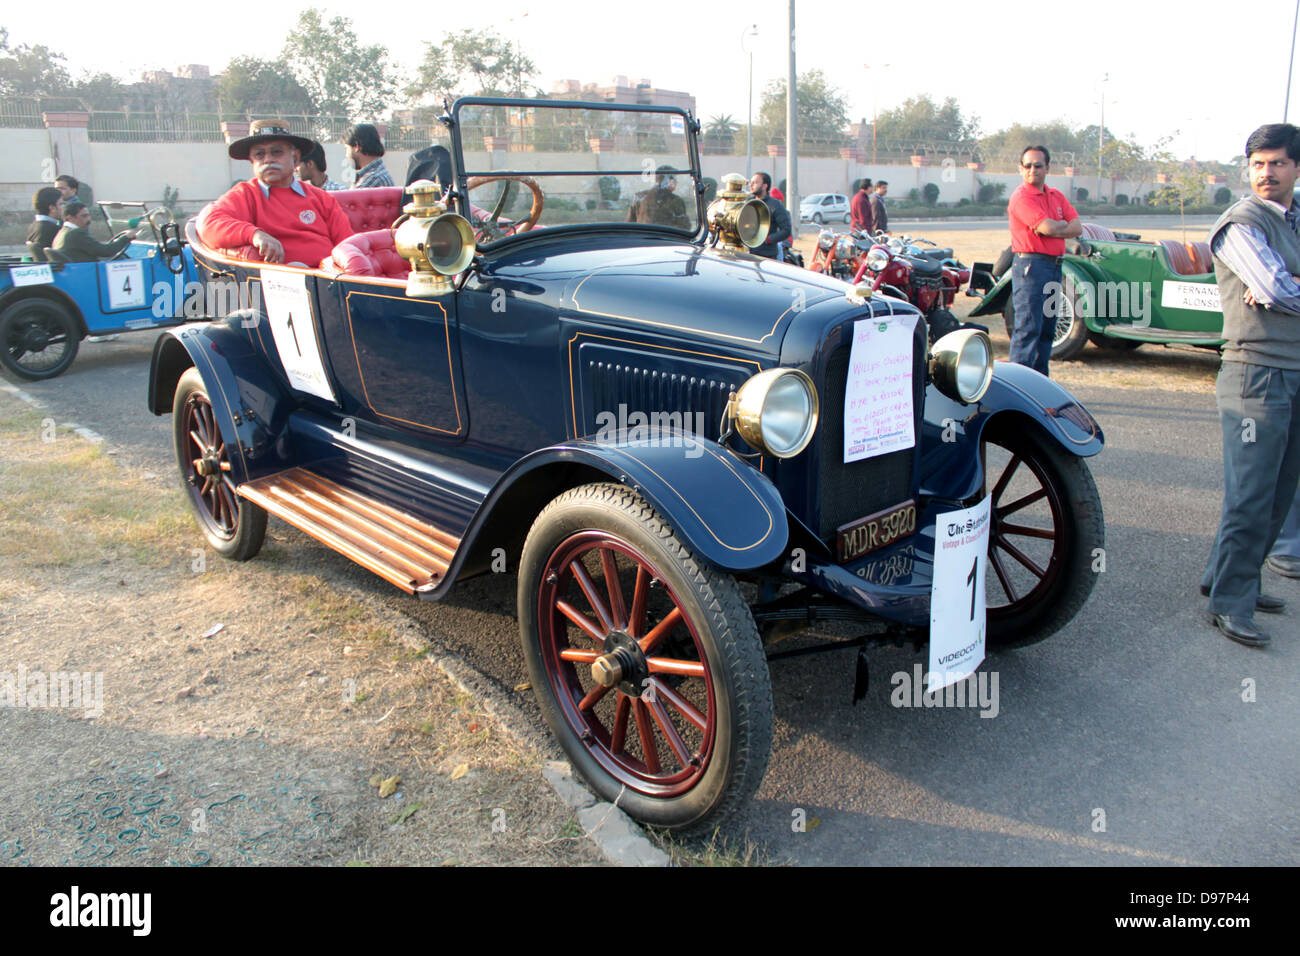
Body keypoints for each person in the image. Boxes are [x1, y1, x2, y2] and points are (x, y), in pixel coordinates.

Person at [1199, 122, 1300, 647]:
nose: (1267, 173)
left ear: (1296, 168)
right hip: (1255, 373)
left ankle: (1229, 576)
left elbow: (1285, 288)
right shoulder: (1242, 222)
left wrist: (1288, 284)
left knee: (1280, 490)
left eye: (1278, 163)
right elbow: (1272, 287)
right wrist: (1285, 284)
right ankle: (1230, 603)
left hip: (1294, 369)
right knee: (1251, 495)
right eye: (1258, 163)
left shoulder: (1292, 219)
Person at [199, 118, 354, 267]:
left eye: (277, 152)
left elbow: (347, 244)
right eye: (260, 154)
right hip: (279, 286)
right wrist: (254, 235)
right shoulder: (245, 194)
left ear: (295, 157)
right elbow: (208, 224)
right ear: (252, 161)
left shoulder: (322, 198)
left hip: (330, 279)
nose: (268, 159)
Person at [1006, 146, 1081, 376]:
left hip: (1054, 267)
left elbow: (1077, 227)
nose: (1032, 170)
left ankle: (1039, 388)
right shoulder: (1021, 197)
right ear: (1021, 168)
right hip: (1032, 267)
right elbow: (1047, 227)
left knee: (1047, 331)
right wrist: (1058, 226)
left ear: (1047, 168)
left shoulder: (1056, 196)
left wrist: (1053, 227)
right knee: (1028, 330)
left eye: (1038, 165)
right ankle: (1019, 388)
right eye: (1027, 165)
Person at [51, 200, 138, 262]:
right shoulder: (76, 233)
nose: (89, 220)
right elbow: (106, 251)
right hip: (85, 273)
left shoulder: (61, 233)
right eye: (84, 216)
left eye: (88, 216)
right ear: (70, 218)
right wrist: (126, 238)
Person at [747, 171, 791, 261]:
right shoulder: (747, 203)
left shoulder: (775, 204)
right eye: (751, 182)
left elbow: (786, 230)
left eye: (755, 183)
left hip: (767, 256)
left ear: (765, 186)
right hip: (748, 255)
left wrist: (768, 239)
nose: (751, 185)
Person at [346, 124, 394, 188]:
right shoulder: (379, 175)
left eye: (347, 149)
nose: (346, 155)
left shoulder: (372, 180)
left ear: (356, 147)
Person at [26, 186, 63, 260]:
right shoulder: (53, 229)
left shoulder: (33, 226)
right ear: (52, 208)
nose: (64, 208)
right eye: (61, 204)